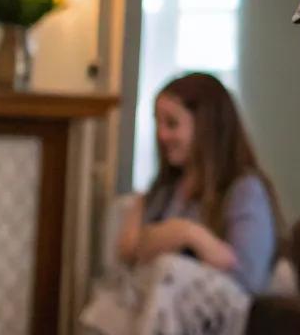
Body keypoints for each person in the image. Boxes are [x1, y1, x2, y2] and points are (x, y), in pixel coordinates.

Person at [117, 71, 285, 298]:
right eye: (158, 123)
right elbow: (130, 256)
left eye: (172, 124)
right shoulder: (166, 190)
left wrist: (187, 234)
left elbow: (249, 281)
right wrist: (142, 210)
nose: (161, 135)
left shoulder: (245, 191)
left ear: (207, 127)